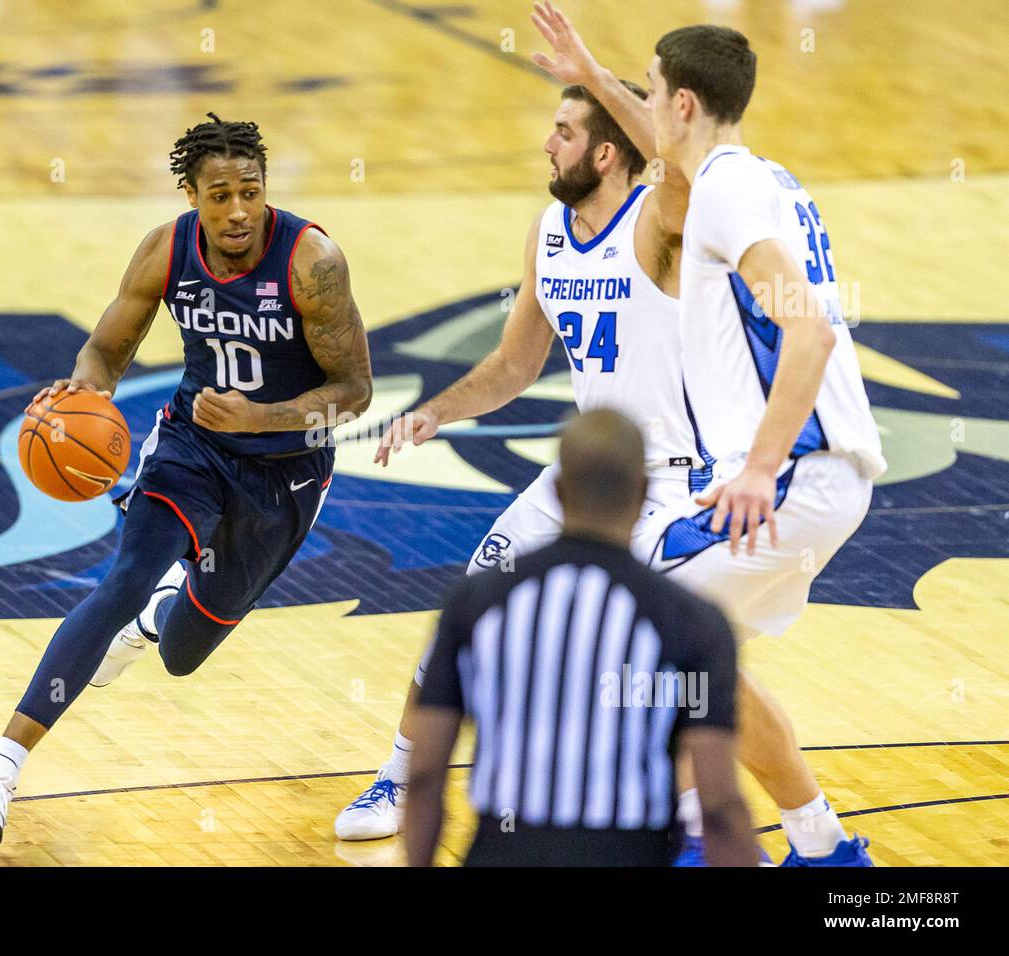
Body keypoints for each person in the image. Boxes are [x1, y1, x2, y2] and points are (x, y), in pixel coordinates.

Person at [340, 3, 868, 868]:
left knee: (659, 658)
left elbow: (680, 162)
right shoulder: (548, 233)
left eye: (563, 128)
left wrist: (591, 71)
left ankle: (721, 833)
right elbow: (513, 366)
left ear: (611, 147)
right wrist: (438, 409)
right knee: (482, 617)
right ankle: (398, 776)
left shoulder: (670, 216)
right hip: (579, 472)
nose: (547, 143)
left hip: (664, 478)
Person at [0, 114, 373, 844]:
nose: (238, 210)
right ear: (190, 194)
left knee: (180, 654)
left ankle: (158, 616)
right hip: (192, 449)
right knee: (125, 576)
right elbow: (106, 350)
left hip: (287, 474)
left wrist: (259, 421)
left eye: (251, 192)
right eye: (219, 196)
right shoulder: (166, 250)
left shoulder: (312, 261)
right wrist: (83, 395)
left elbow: (355, 391)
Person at [642, 24, 886, 866]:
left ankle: (696, 842)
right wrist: (593, 75)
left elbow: (808, 332)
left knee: (632, 622)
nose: (644, 108)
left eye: (647, 91)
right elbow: (660, 148)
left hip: (793, 479)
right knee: (703, 666)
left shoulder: (726, 191)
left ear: (682, 101)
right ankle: (822, 848)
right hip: (821, 480)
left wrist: (755, 469)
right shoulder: (766, 180)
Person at [404, 410, 757, 867]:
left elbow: (427, 774)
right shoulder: (692, 620)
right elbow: (719, 805)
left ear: (555, 489)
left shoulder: (478, 600)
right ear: (645, 493)